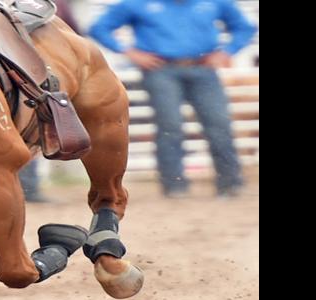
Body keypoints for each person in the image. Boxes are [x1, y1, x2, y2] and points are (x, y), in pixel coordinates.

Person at [89, 0, 256, 197]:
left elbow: (245, 27)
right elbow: (100, 28)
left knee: (219, 123)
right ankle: (174, 185)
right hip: (161, 69)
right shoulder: (137, 4)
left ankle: (230, 183)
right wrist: (129, 52)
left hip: (203, 68)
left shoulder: (215, 2)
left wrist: (227, 51)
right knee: (170, 126)